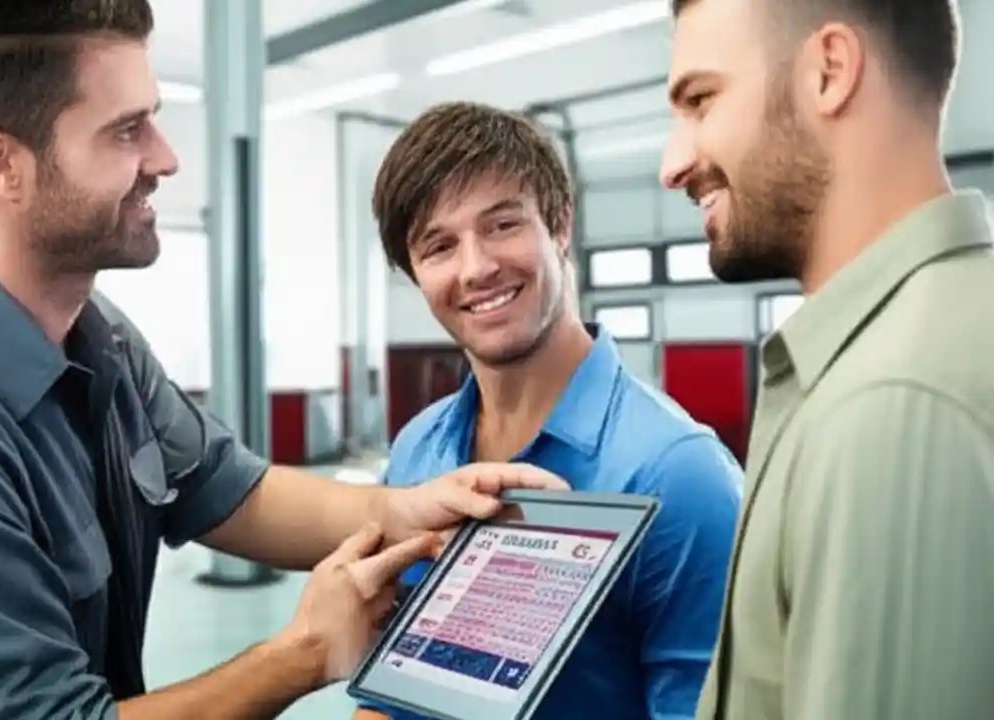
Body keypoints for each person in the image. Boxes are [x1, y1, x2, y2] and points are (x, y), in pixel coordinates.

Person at [0, 3, 570, 719]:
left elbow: (230, 490)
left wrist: (406, 508)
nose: (166, 157)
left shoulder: (100, 340)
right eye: (127, 131)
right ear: (2, 164)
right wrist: (303, 654)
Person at [353, 101, 744, 720]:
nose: (476, 268)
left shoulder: (680, 473)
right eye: (439, 246)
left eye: (502, 225)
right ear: (414, 273)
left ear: (559, 225)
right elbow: (389, 696)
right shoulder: (416, 448)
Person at [662, 0, 994, 718]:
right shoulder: (913, 346)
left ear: (830, 71)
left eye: (702, 100)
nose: (672, 164)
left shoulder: (892, 403)